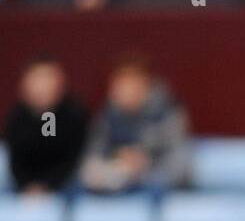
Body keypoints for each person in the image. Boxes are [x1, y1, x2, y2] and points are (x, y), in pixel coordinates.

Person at [79, 56, 190, 196]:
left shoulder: (167, 113)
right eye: (119, 85)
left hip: (160, 195)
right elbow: (92, 160)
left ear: (144, 85)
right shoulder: (107, 116)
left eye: (130, 84)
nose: (124, 91)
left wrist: (144, 166)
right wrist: (117, 165)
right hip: (116, 194)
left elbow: (181, 168)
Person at [4, 57, 88, 194]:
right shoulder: (17, 117)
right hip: (23, 188)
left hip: (64, 186)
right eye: (37, 78)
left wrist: (46, 187)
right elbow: (16, 161)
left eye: (48, 78)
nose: (42, 85)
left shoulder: (73, 115)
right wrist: (27, 187)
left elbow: (71, 160)